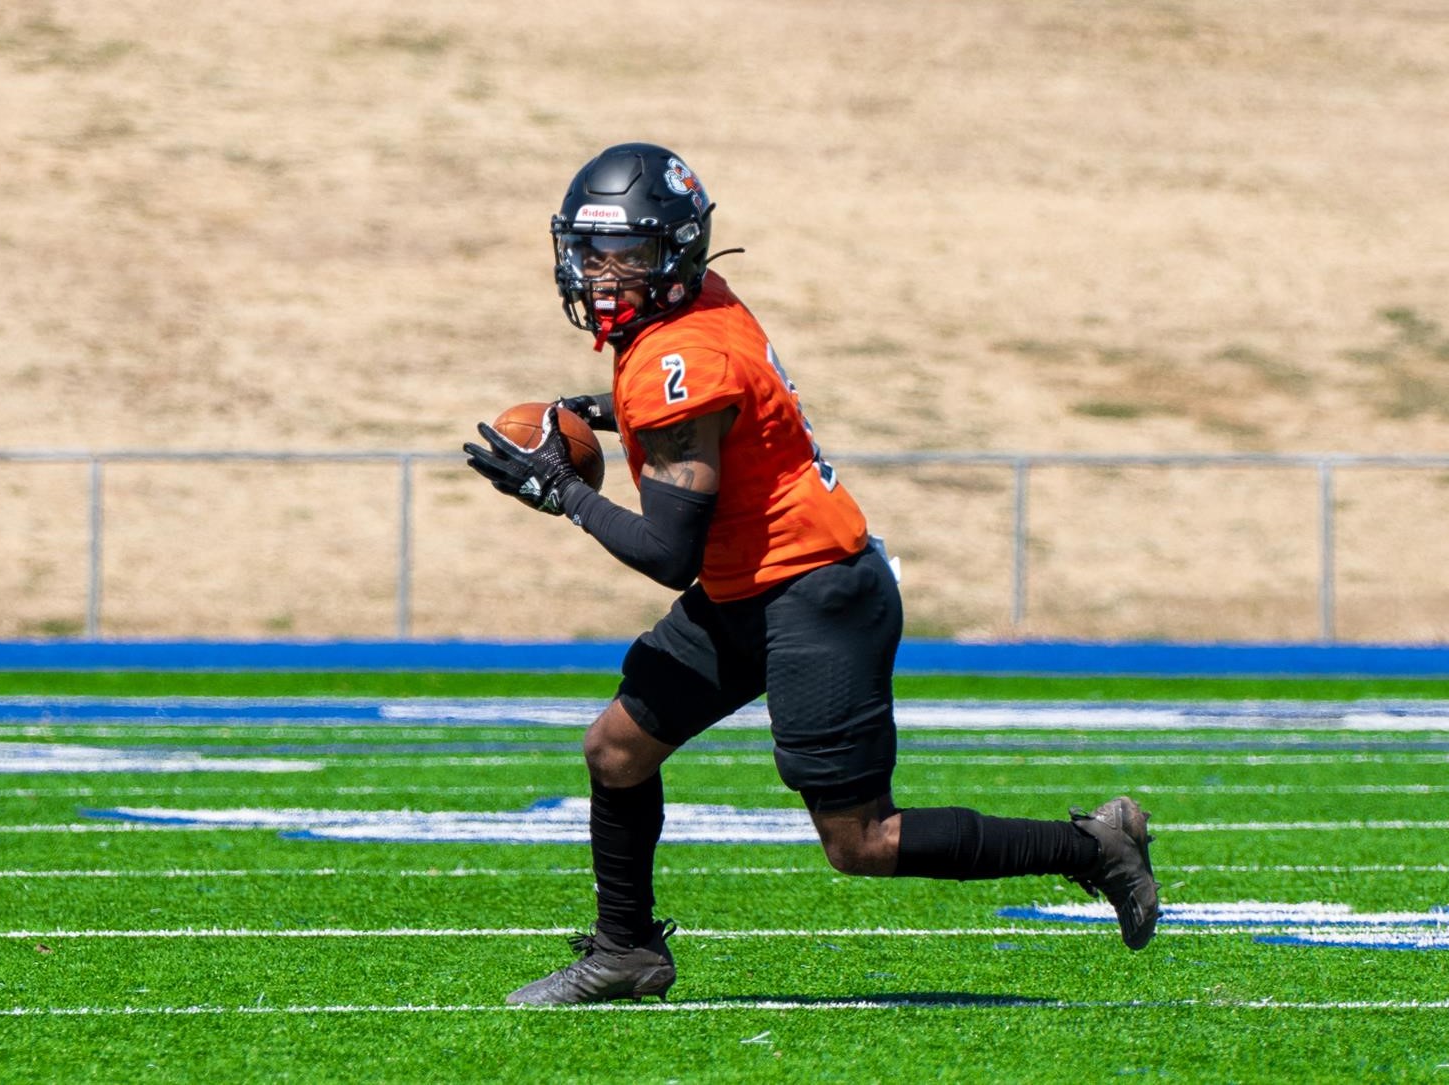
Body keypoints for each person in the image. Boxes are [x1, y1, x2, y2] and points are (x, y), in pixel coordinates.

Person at [464, 143, 1159, 1005]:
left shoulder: (680, 359)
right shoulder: (693, 315)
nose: (602, 273)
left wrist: (561, 490)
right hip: (747, 584)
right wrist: (593, 412)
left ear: (676, 254)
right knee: (615, 749)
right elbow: (713, 415)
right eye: (590, 250)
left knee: (859, 841)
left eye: (627, 255)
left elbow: (666, 552)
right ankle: (626, 951)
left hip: (816, 592)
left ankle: (1094, 848)